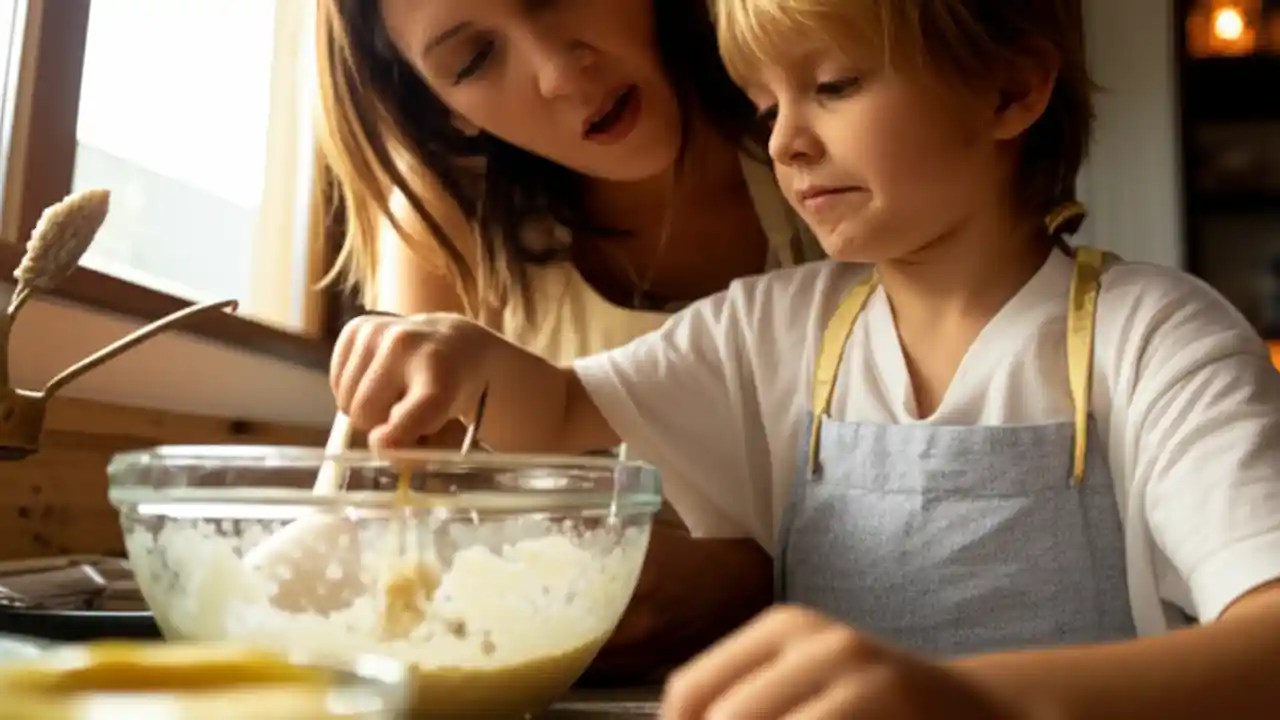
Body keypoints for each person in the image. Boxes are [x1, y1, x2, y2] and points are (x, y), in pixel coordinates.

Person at [331, 0, 1280, 716]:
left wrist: (975, 703)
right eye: (763, 102)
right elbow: (563, 411)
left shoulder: (1157, 337)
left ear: (1010, 88)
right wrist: (460, 357)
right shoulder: (770, 332)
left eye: (832, 87)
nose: (785, 141)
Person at [314, 0, 828, 679]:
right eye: (473, 60)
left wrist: (748, 580)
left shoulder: (828, 152)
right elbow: (370, 542)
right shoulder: (452, 221)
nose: (561, 72)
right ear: (444, 107)